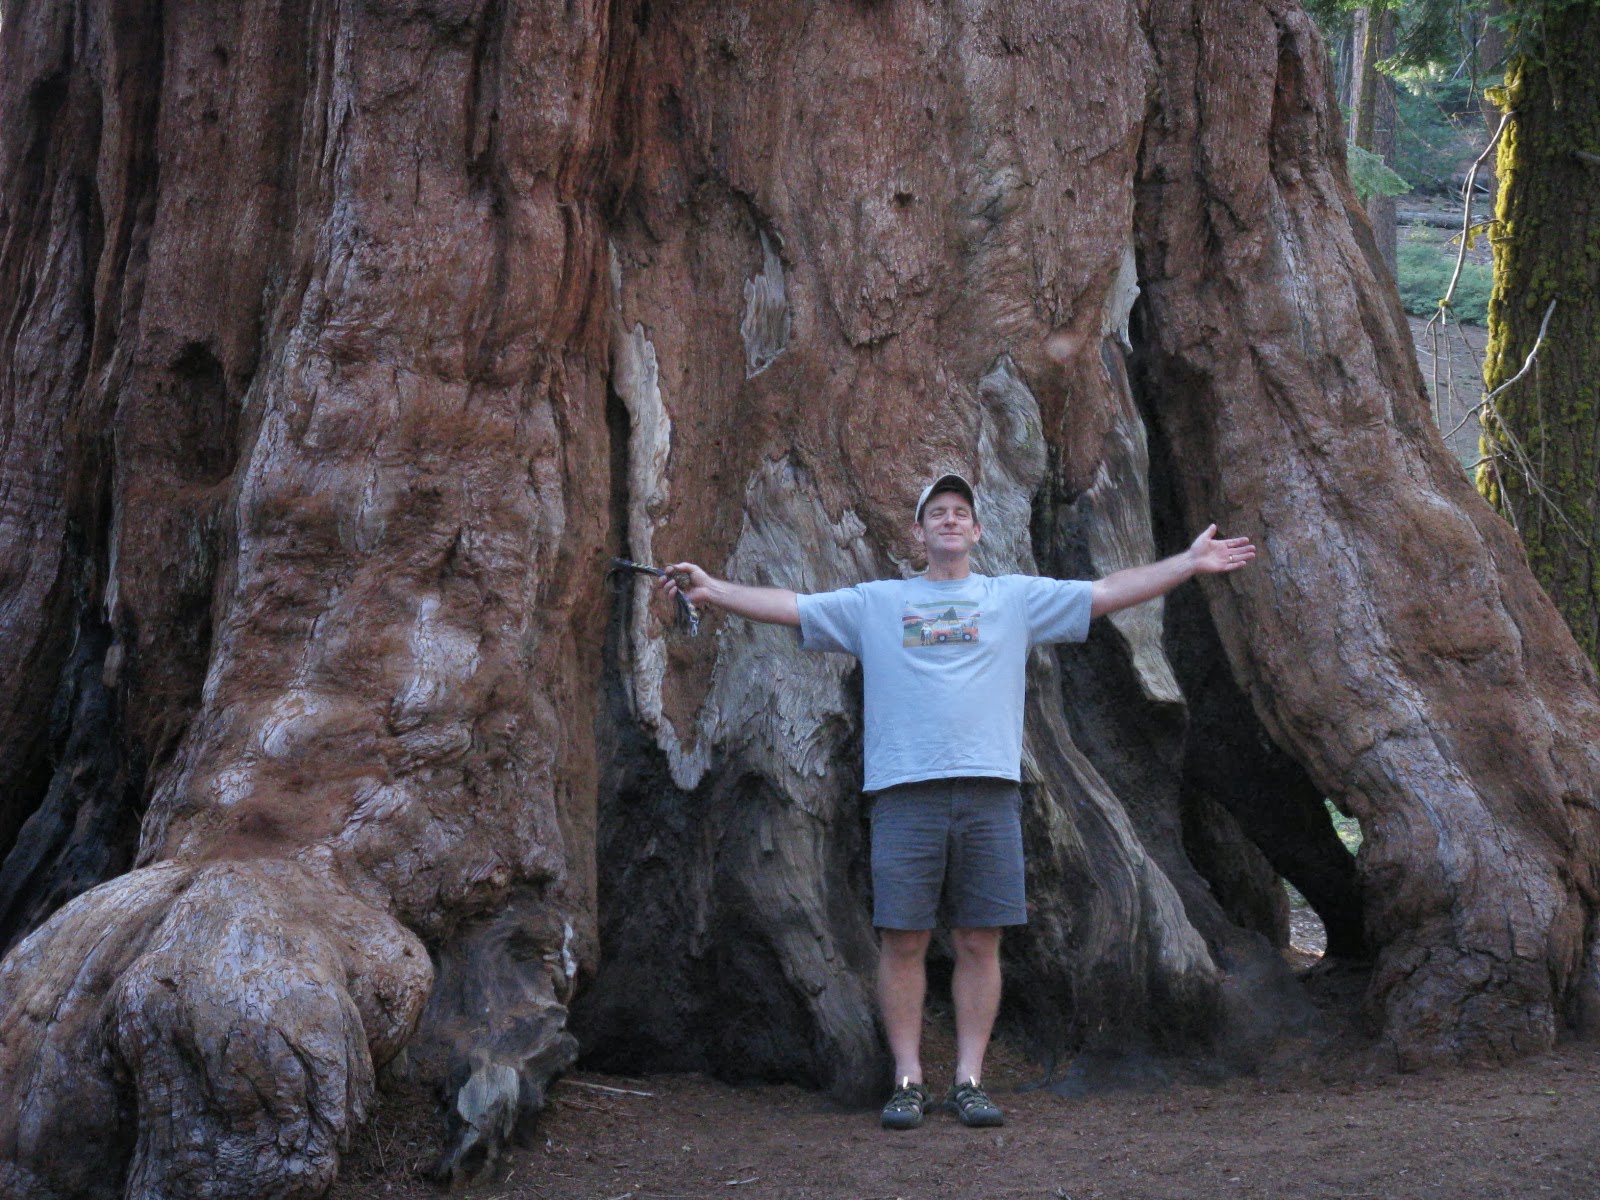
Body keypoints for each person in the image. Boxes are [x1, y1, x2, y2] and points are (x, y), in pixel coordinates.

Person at [658, 473, 1255, 1130]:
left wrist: (1189, 562)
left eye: (959, 512)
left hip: (988, 793)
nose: (948, 520)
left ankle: (969, 1079)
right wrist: (714, 589)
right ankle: (908, 1078)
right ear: (917, 534)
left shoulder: (1013, 599)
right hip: (903, 793)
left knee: (979, 937)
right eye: (935, 513)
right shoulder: (877, 604)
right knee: (904, 938)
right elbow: (794, 605)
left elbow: (1107, 592)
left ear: (976, 530)